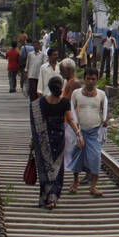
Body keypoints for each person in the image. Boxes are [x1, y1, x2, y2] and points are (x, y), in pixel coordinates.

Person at [31, 75, 82, 210]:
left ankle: (45, 197)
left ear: (49, 87)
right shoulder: (65, 102)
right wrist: (78, 134)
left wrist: (32, 140)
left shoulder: (40, 103)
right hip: (59, 139)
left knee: (45, 167)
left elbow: (37, 125)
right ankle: (53, 197)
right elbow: (71, 120)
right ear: (61, 87)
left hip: (44, 140)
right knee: (57, 168)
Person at [68, 69, 108, 197]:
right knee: (77, 156)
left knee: (96, 157)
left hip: (94, 131)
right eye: (88, 78)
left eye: (93, 79)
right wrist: (74, 122)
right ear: (84, 79)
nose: (90, 81)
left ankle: (93, 186)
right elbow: (70, 108)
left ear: (97, 80)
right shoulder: (77, 93)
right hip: (80, 131)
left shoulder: (101, 94)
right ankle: (75, 181)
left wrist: (105, 119)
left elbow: (105, 108)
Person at [24, 35, 45, 100]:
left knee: (38, 91)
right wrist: (26, 72)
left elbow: (44, 65)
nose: (36, 46)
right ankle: (32, 105)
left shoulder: (42, 55)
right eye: (35, 45)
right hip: (31, 75)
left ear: (39, 46)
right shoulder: (30, 54)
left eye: (37, 45)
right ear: (33, 46)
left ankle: (37, 105)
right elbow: (27, 64)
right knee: (32, 92)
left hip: (39, 75)